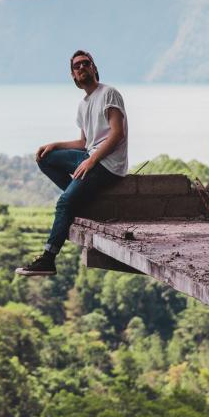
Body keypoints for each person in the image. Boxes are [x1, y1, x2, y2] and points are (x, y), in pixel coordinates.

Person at [17, 49, 128, 275]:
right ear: (73, 76)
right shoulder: (84, 104)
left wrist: (91, 161)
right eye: (76, 67)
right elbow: (84, 142)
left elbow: (117, 135)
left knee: (64, 203)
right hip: (91, 157)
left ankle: (48, 258)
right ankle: (79, 196)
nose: (81, 68)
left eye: (85, 63)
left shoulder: (109, 93)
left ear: (94, 68)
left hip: (108, 164)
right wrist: (54, 145)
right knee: (45, 158)